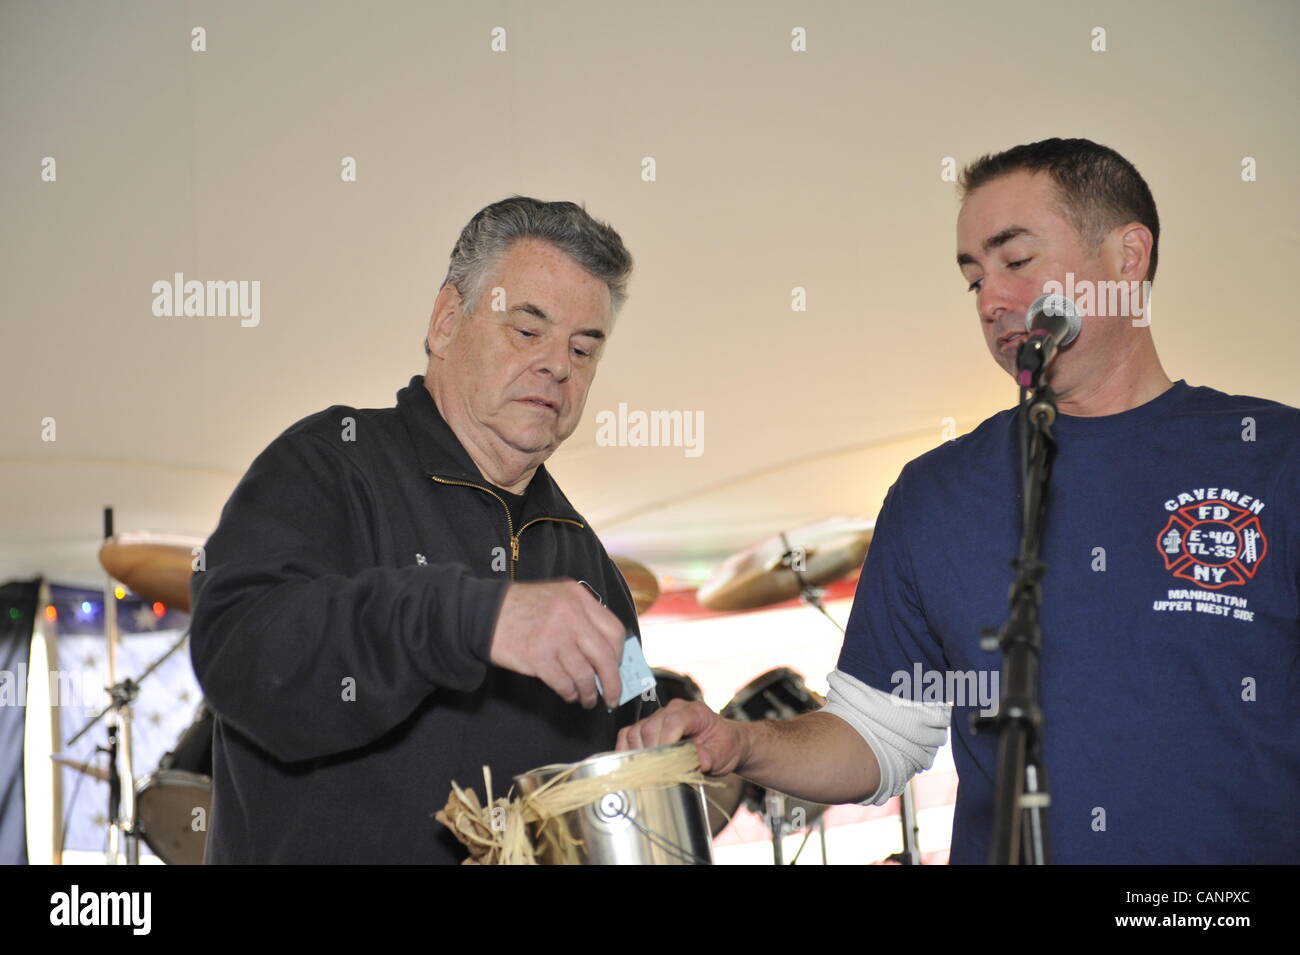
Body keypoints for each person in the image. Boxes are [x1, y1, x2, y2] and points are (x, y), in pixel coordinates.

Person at [618, 138, 1300, 864]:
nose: (993, 301)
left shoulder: (1273, 456)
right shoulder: (936, 494)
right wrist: (744, 740)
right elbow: (878, 733)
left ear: (1128, 258)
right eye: (973, 279)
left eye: (1016, 261)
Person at [190, 196, 643, 864]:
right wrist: (473, 616)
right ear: (446, 321)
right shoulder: (329, 465)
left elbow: (633, 705)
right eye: (528, 330)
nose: (558, 365)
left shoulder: (588, 560)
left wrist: (667, 729)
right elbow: (242, 655)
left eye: (583, 347)